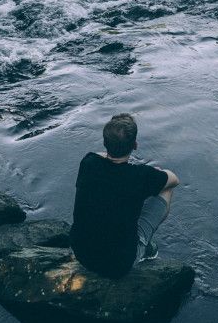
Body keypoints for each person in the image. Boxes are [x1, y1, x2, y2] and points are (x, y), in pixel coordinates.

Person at [69, 113, 179, 279]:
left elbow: (102, 158)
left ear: (105, 143)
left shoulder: (88, 162)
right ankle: (144, 247)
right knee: (165, 189)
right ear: (135, 145)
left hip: (82, 254)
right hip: (118, 265)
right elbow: (174, 179)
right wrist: (156, 175)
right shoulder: (140, 176)